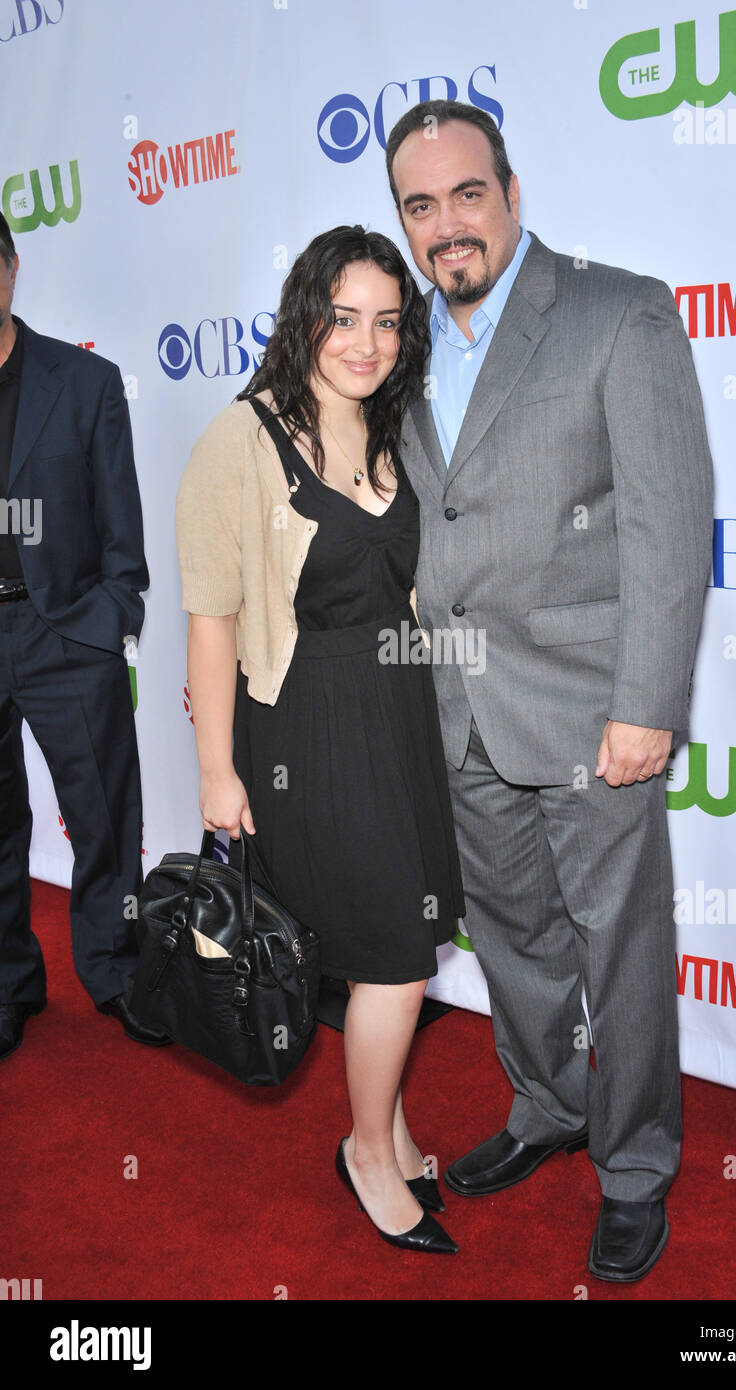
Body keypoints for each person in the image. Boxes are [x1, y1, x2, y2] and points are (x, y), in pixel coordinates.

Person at [385, 101, 714, 1281]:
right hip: (456, 707)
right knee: (515, 937)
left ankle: (633, 1165)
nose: (447, 224)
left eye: (467, 194)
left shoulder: (616, 311)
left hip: (589, 709)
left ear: (512, 194)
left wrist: (647, 702)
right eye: (420, 206)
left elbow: (669, 526)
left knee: (617, 947)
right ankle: (546, 1105)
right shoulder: (397, 342)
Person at [175, 225, 464, 1255]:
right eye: (343, 318)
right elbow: (211, 618)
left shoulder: (395, 427)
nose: (364, 342)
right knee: (394, 960)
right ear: (304, 315)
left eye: (385, 322)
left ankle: (392, 1126)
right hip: (307, 726)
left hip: (398, 714)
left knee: (402, 941)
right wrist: (217, 772)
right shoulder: (241, 439)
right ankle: (367, 1152)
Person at [0, 213, 167, 1060]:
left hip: (65, 630)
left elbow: (120, 528)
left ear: (11, 268)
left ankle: (115, 968)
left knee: (102, 814)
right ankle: (8, 986)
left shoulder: (84, 382)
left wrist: (112, 620)